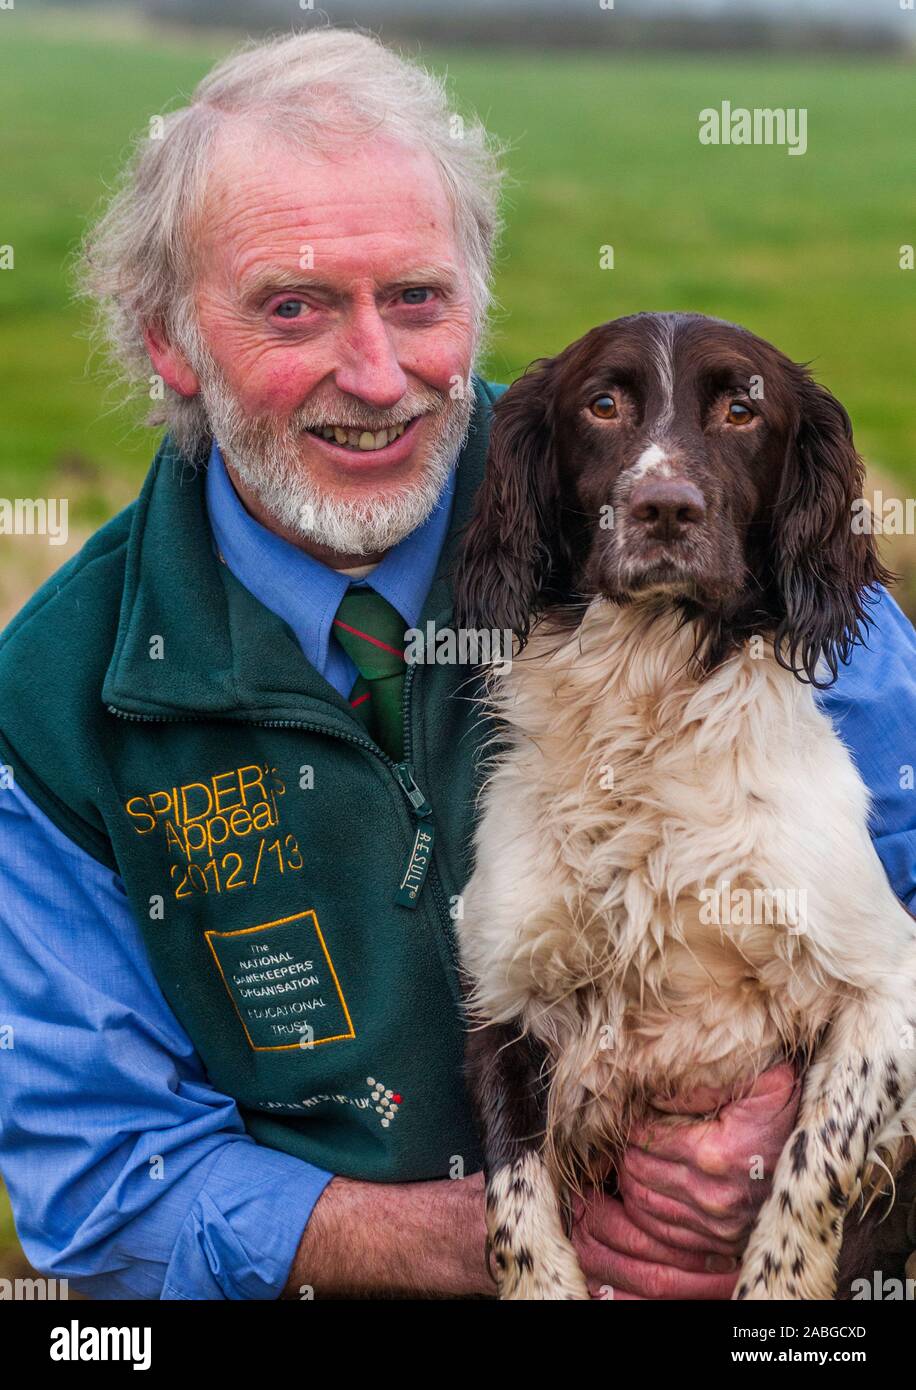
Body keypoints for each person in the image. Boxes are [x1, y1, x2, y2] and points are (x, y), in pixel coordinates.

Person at [0, 29, 913, 1300]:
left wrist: (803, 1179)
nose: (376, 378)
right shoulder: (57, 697)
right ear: (168, 341)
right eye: (293, 307)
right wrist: (482, 1244)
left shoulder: (727, 559)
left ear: (477, 299)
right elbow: (98, 1179)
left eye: (417, 299)